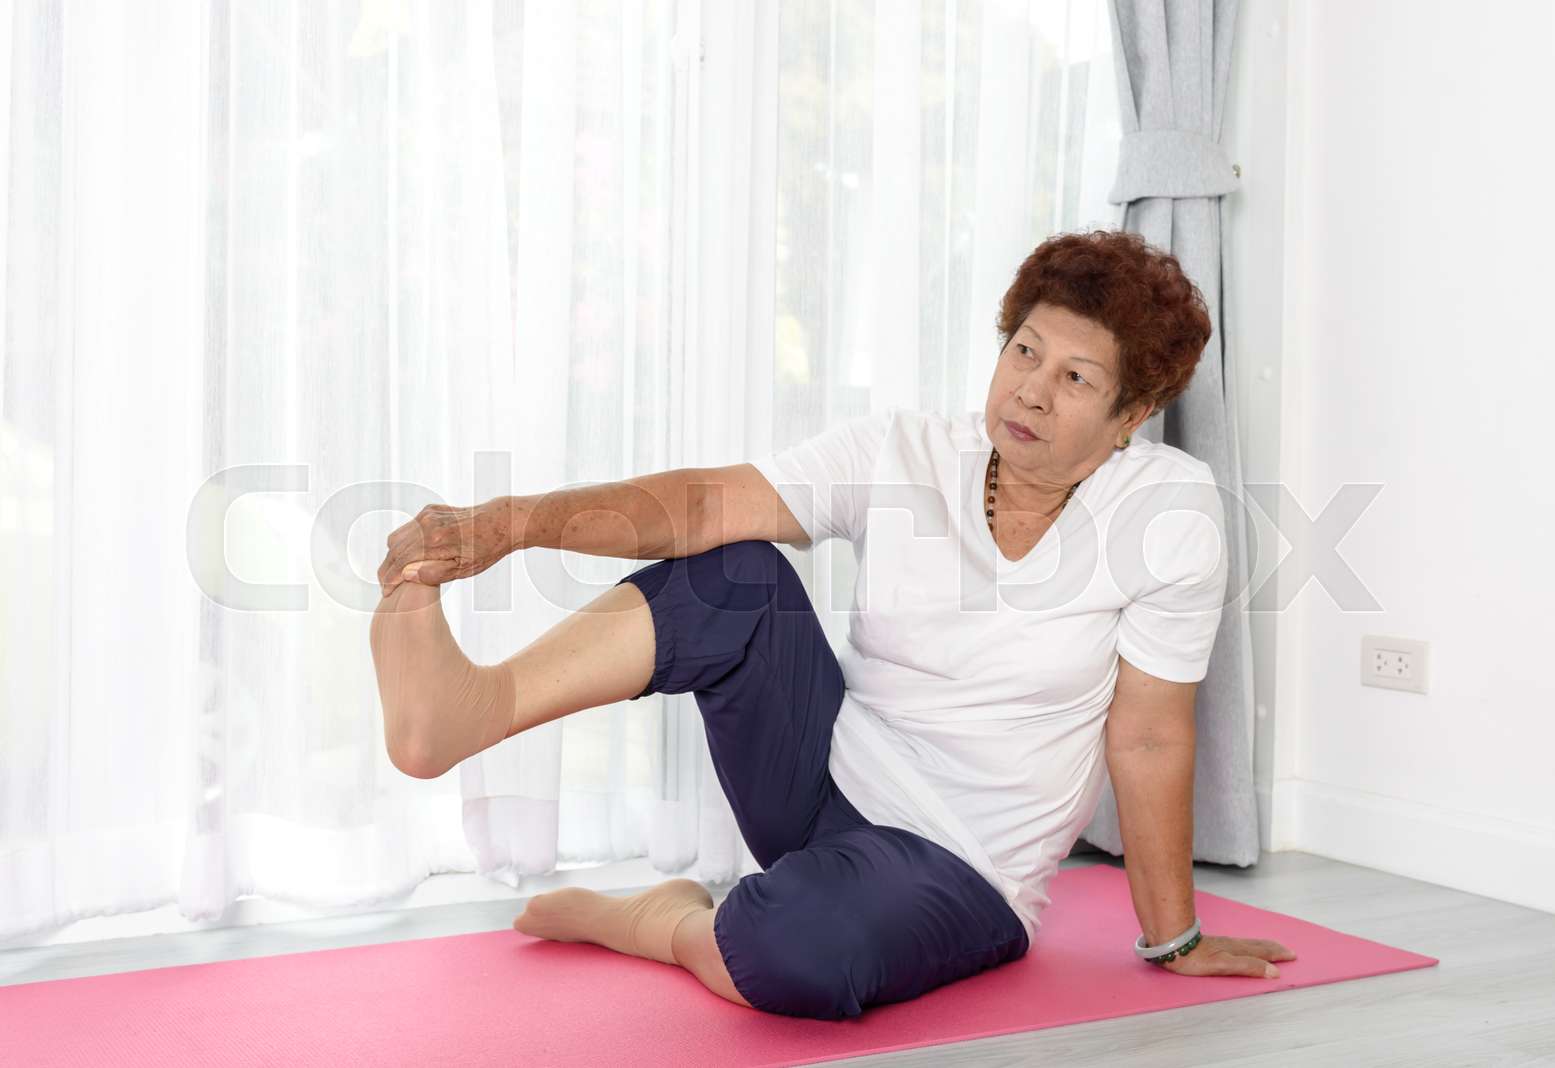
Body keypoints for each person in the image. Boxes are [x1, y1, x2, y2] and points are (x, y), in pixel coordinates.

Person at [369, 229, 1296, 1021]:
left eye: (1076, 376)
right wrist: (509, 524)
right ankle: (476, 706)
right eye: (1023, 350)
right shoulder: (905, 450)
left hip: (964, 866)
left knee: (792, 952)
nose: (1031, 391)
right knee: (736, 567)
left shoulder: (1168, 511)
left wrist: (1172, 936)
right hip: (817, 783)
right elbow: (702, 505)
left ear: (1131, 414)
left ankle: (664, 920)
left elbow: (1146, 736)